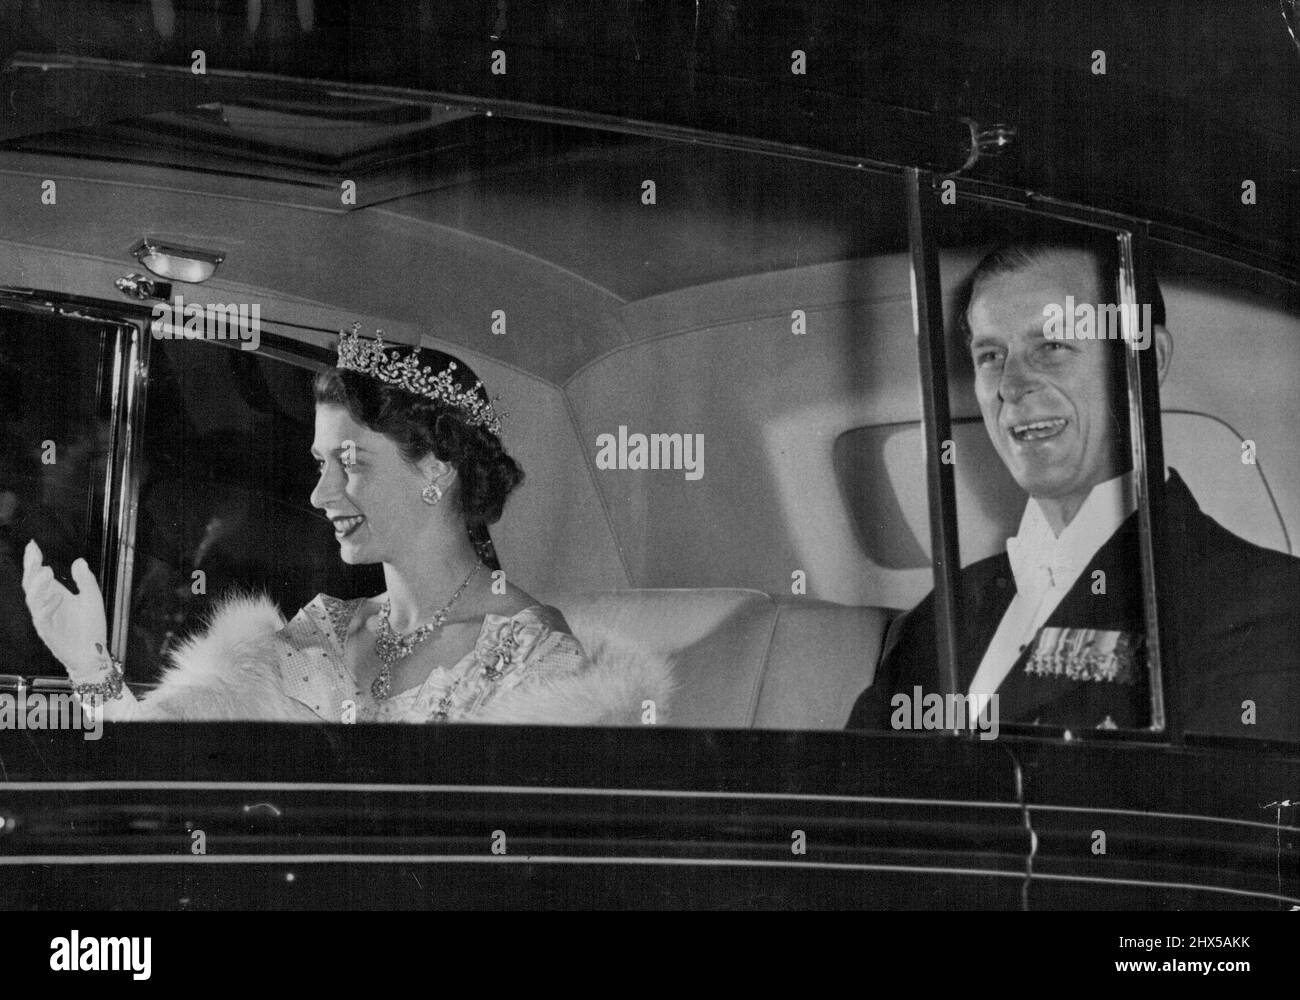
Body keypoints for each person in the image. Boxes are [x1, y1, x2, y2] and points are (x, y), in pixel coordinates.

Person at [23, 325, 673, 725]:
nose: (319, 492)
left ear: (438, 470)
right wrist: (89, 664)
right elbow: (173, 765)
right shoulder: (328, 629)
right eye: (318, 463)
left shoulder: (536, 657)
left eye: (351, 463)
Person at [848, 238, 1300, 741]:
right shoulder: (934, 623)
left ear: (1146, 361)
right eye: (991, 355)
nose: (1011, 385)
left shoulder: (1263, 605)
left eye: (1053, 346)